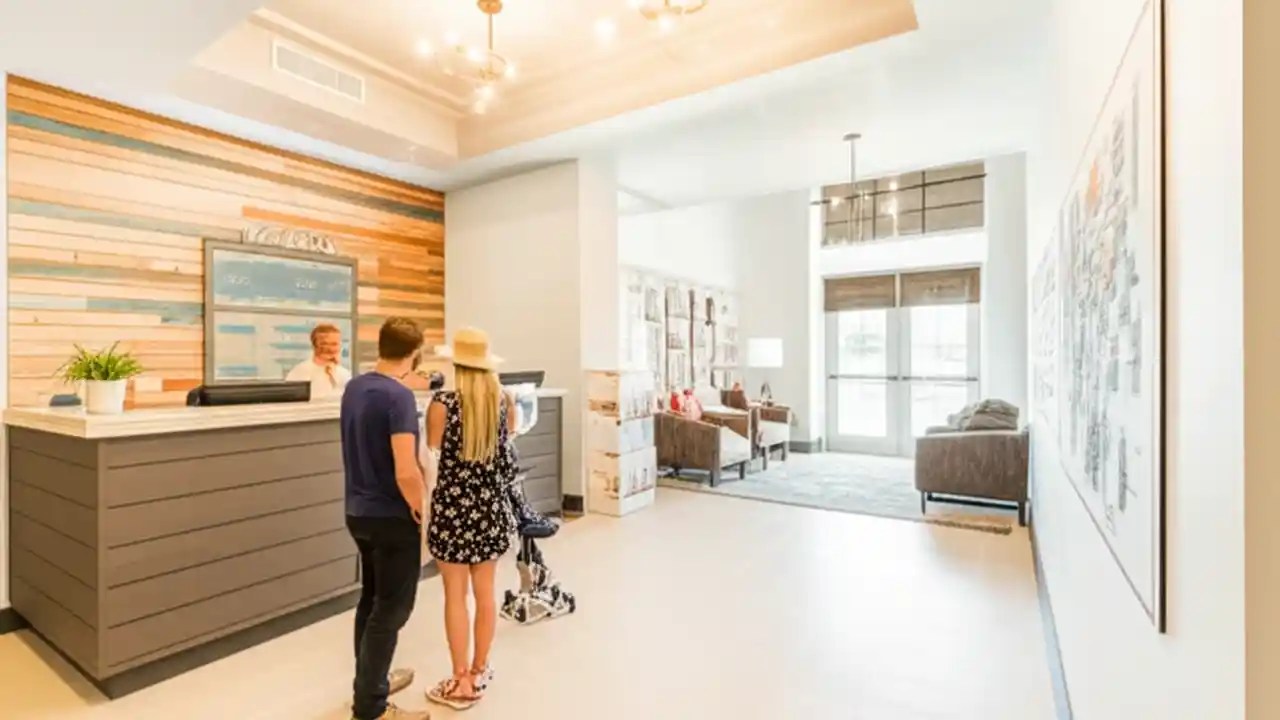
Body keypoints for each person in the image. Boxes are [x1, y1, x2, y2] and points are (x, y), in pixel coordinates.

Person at [342, 317, 431, 720]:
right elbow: (405, 469)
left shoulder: (354, 387)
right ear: (415, 354)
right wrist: (421, 507)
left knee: (371, 601)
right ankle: (372, 708)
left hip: (357, 512)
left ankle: (370, 683)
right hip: (392, 516)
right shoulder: (398, 398)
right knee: (392, 610)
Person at [424, 328, 517, 710]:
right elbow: (506, 446)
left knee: (454, 597)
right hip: (490, 510)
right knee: (486, 593)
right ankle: (480, 670)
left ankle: (460, 677)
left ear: (457, 365)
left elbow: (432, 451)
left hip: (451, 511)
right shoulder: (504, 401)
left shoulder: (441, 404)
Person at [286, 323, 352, 400]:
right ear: (314, 345)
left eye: (334, 344)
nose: (330, 349)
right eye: (324, 344)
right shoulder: (300, 372)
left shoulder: (345, 374)